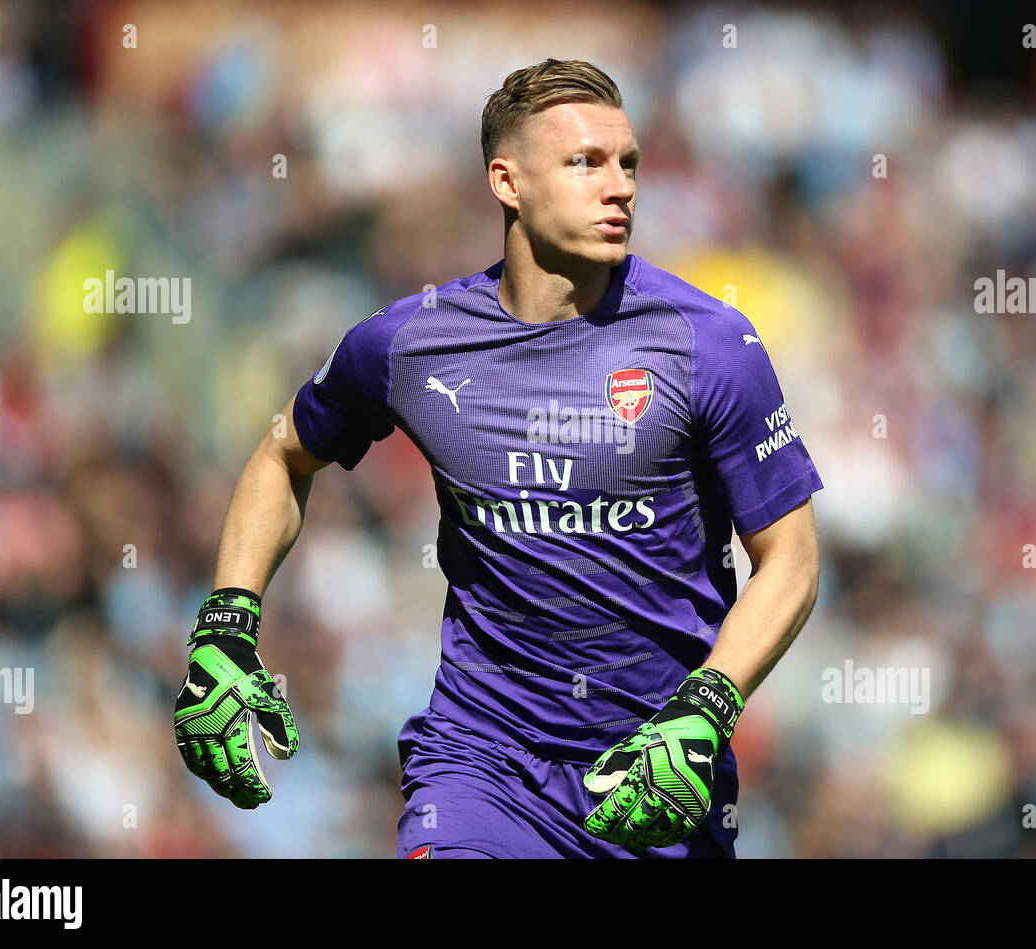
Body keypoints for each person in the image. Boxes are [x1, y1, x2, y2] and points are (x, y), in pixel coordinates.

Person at [173, 58, 823, 859]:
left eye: (628, 164)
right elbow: (283, 454)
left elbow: (789, 557)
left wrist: (707, 707)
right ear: (506, 182)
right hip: (479, 765)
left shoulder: (712, 345)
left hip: (656, 776)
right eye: (585, 163)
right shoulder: (410, 342)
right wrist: (227, 625)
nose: (618, 186)